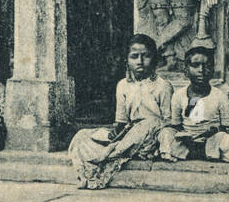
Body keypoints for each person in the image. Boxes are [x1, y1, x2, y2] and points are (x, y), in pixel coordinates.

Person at [67, 34, 172, 189]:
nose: (140, 61)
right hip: (128, 133)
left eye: (146, 56)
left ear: (154, 60)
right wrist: (115, 132)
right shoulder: (123, 85)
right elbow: (121, 121)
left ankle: (105, 163)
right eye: (134, 56)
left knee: (147, 124)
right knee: (82, 135)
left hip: (150, 135)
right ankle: (88, 171)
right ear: (127, 61)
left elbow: (167, 121)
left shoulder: (162, 86)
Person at [158, 46, 229, 161]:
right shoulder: (178, 95)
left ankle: (197, 153)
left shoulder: (220, 96)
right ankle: (194, 153)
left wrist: (214, 132)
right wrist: (184, 136)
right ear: (186, 70)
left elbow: (226, 126)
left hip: (211, 140)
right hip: (187, 142)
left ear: (212, 70)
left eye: (207, 66)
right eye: (195, 65)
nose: (201, 70)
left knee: (224, 139)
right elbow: (176, 125)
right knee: (166, 133)